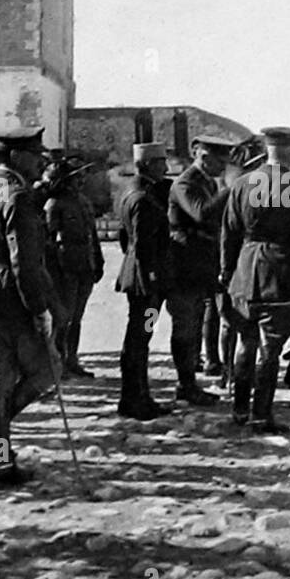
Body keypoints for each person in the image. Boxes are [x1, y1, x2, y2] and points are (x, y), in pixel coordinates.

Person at [0, 128, 57, 486]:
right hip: (10, 298)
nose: (40, 162)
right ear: (16, 157)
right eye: (34, 156)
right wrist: (38, 309)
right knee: (42, 371)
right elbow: (24, 263)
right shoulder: (15, 195)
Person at [221, 126, 290, 433]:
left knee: (246, 342)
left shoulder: (242, 184)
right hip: (280, 276)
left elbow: (229, 232)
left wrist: (226, 272)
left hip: (245, 272)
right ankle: (261, 414)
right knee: (270, 349)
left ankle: (240, 409)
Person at [167, 135, 236, 405]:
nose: (225, 167)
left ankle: (190, 382)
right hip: (183, 268)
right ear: (204, 157)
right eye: (221, 161)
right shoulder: (185, 183)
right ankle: (185, 384)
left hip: (200, 266)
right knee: (184, 327)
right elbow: (202, 214)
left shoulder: (206, 182)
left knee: (196, 323)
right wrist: (230, 189)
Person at [116, 143, 174, 420]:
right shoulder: (143, 198)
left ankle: (138, 395)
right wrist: (151, 278)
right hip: (146, 282)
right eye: (161, 162)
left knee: (139, 338)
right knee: (140, 339)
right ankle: (135, 399)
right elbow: (140, 244)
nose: (165, 167)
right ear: (146, 165)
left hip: (139, 276)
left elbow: (123, 239)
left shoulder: (132, 192)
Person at [44, 155, 105, 378]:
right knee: (62, 318)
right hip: (65, 267)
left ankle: (72, 359)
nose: (81, 180)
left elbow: (92, 235)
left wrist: (98, 260)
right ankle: (57, 363)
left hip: (84, 266)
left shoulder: (83, 201)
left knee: (76, 318)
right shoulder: (54, 204)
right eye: (77, 177)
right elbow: (48, 240)